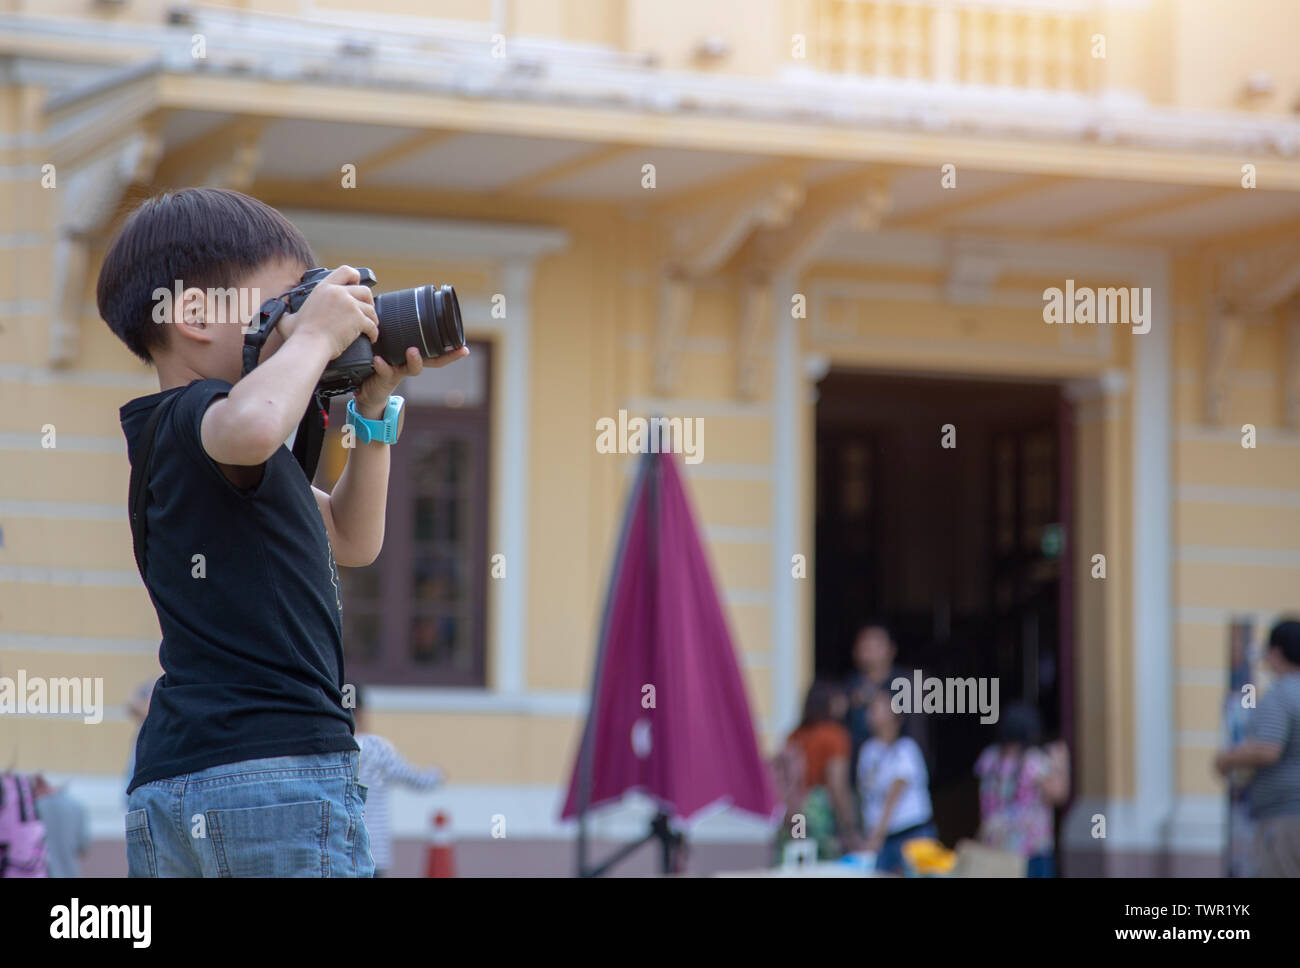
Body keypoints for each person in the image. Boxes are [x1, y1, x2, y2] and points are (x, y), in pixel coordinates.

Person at [102, 188, 468, 877]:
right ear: (194, 315)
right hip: (275, 773)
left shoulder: (221, 444)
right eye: (280, 308)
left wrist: (374, 412)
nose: (296, 326)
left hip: (180, 781)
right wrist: (318, 336)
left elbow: (352, 539)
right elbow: (254, 423)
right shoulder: (196, 417)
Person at [1215, 618, 1300, 877]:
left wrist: (1227, 760)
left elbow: (1268, 749)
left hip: (1286, 814)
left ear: (1275, 652)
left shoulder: (1281, 694)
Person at [354, 689, 445, 877]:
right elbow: (413, 778)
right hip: (374, 849)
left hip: (342, 850)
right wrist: (437, 775)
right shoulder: (377, 748)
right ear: (362, 713)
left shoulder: (334, 751)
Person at [974, 702, 1069, 877]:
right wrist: (1060, 763)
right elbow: (1058, 795)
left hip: (995, 845)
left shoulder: (989, 758)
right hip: (1029, 849)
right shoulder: (1032, 762)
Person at [774, 681, 859, 861]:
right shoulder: (835, 736)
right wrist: (849, 827)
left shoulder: (795, 735)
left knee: (795, 862)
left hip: (794, 813)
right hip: (817, 813)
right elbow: (837, 785)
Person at [857, 690, 935, 873]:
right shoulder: (868, 751)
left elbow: (895, 794)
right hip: (882, 836)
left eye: (877, 708)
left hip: (911, 833)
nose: (871, 714)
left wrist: (876, 836)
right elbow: (866, 794)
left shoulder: (906, 749)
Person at [844, 621, 928, 788]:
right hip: (860, 779)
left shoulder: (907, 685)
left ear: (891, 650)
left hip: (898, 780)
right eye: (864, 646)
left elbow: (916, 738)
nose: (868, 652)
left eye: (875, 646)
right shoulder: (849, 687)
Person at [33, 776, 91, 878]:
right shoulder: (77, 807)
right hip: (70, 871)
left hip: (43, 872)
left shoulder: (35, 807)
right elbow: (83, 846)